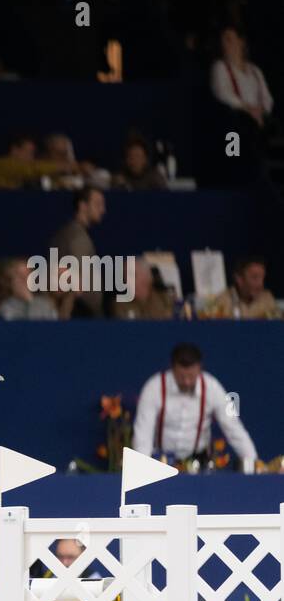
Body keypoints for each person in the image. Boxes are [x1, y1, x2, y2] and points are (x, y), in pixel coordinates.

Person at [132, 343, 257, 472]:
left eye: (191, 376)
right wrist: (143, 471)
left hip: (199, 466)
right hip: (161, 463)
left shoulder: (213, 388)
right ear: (172, 369)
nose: (187, 382)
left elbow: (233, 428)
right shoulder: (153, 388)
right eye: (181, 377)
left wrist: (253, 463)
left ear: (199, 368)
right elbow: (143, 435)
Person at [48, 186, 108, 317]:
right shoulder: (77, 237)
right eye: (98, 204)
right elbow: (79, 283)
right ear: (83, 206)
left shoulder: (70, 233)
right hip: (80, 316)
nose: (103, 210)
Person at [200, 256, 279, 320]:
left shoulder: (267, 298)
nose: (260, 284)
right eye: (255, 278)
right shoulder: (223, 300)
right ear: (239, 279)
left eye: (262, 278)